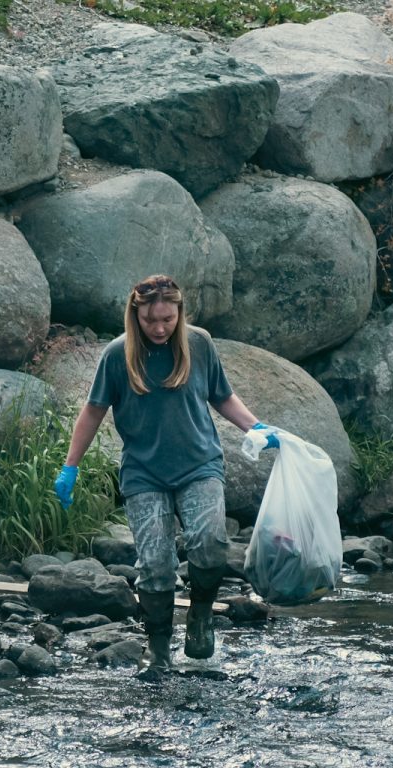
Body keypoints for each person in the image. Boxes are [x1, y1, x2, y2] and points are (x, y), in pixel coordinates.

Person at [53, 274, 277, 672]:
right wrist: (70, 466)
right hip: (144, 475)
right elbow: (93, 411)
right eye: (150, 320)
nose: (159, 328)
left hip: (199, 467)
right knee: (155, 566)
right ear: (134, 314)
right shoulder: (117, 355)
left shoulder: (199, 344)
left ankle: (201, 615)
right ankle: (158, 644)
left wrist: (256, 428)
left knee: (210, 544)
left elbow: (221, 394)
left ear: (179, 314)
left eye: (168, 320)